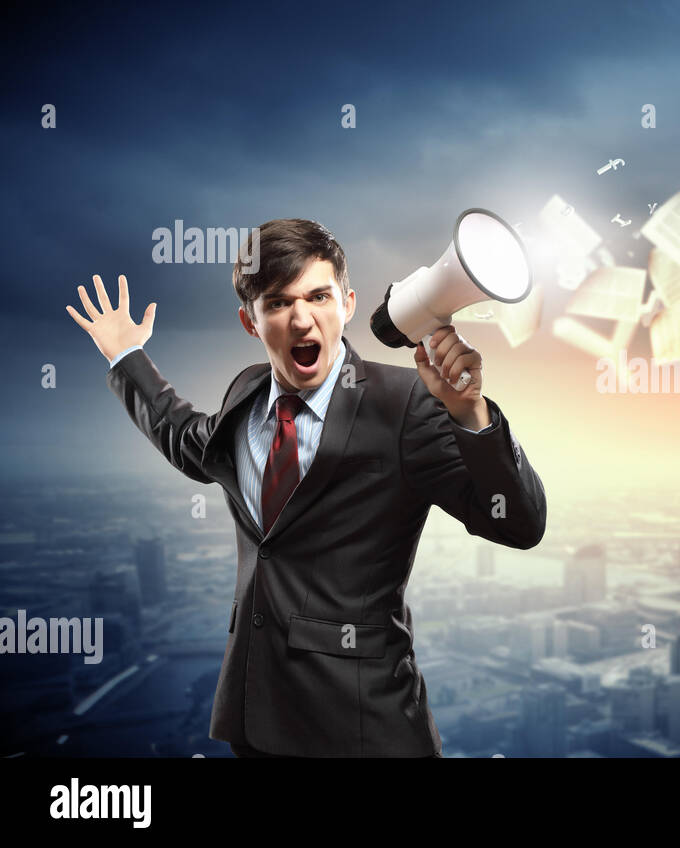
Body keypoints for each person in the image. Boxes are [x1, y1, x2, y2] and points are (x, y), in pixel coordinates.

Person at [65, 218, 546, 757]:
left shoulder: (405, 403)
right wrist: (126, 357)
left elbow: (519, 524)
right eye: (277, 303)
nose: (301, 319)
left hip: (365, 729)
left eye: (318, 296)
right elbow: (187, 440)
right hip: (253, 722)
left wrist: (471, 415)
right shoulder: (245, 395)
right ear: (250, 321)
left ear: (347, 301)